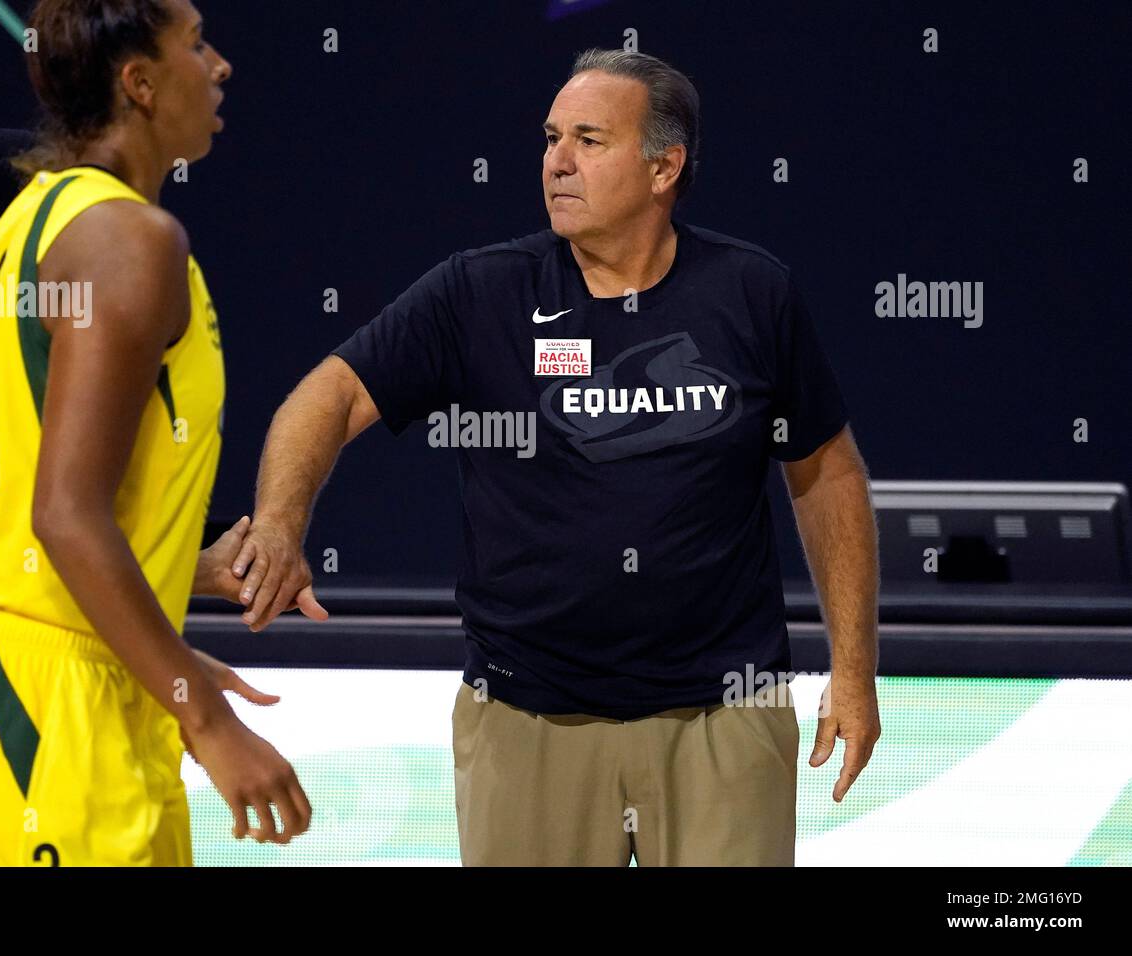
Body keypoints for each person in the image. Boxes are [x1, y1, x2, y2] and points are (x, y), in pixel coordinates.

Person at [231, 48, 880, 866]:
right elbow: (327, 397)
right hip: (527, 724)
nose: (556, 162)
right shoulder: (481, 292)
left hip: (725, 722)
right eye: (549, 138)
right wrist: (284, 524)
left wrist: (854, 673)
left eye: (589, 140)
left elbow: (827, 474)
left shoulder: (753, 293)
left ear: (664, 167)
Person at [0, 0, 309, 866]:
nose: (219, 64)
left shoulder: (26, 225)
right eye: (194, 43)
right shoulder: (133, 240)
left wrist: (169, 622)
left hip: (28, 679)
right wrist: (207, 718)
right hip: (48, 705)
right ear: (137, 82)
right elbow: (62, 515)